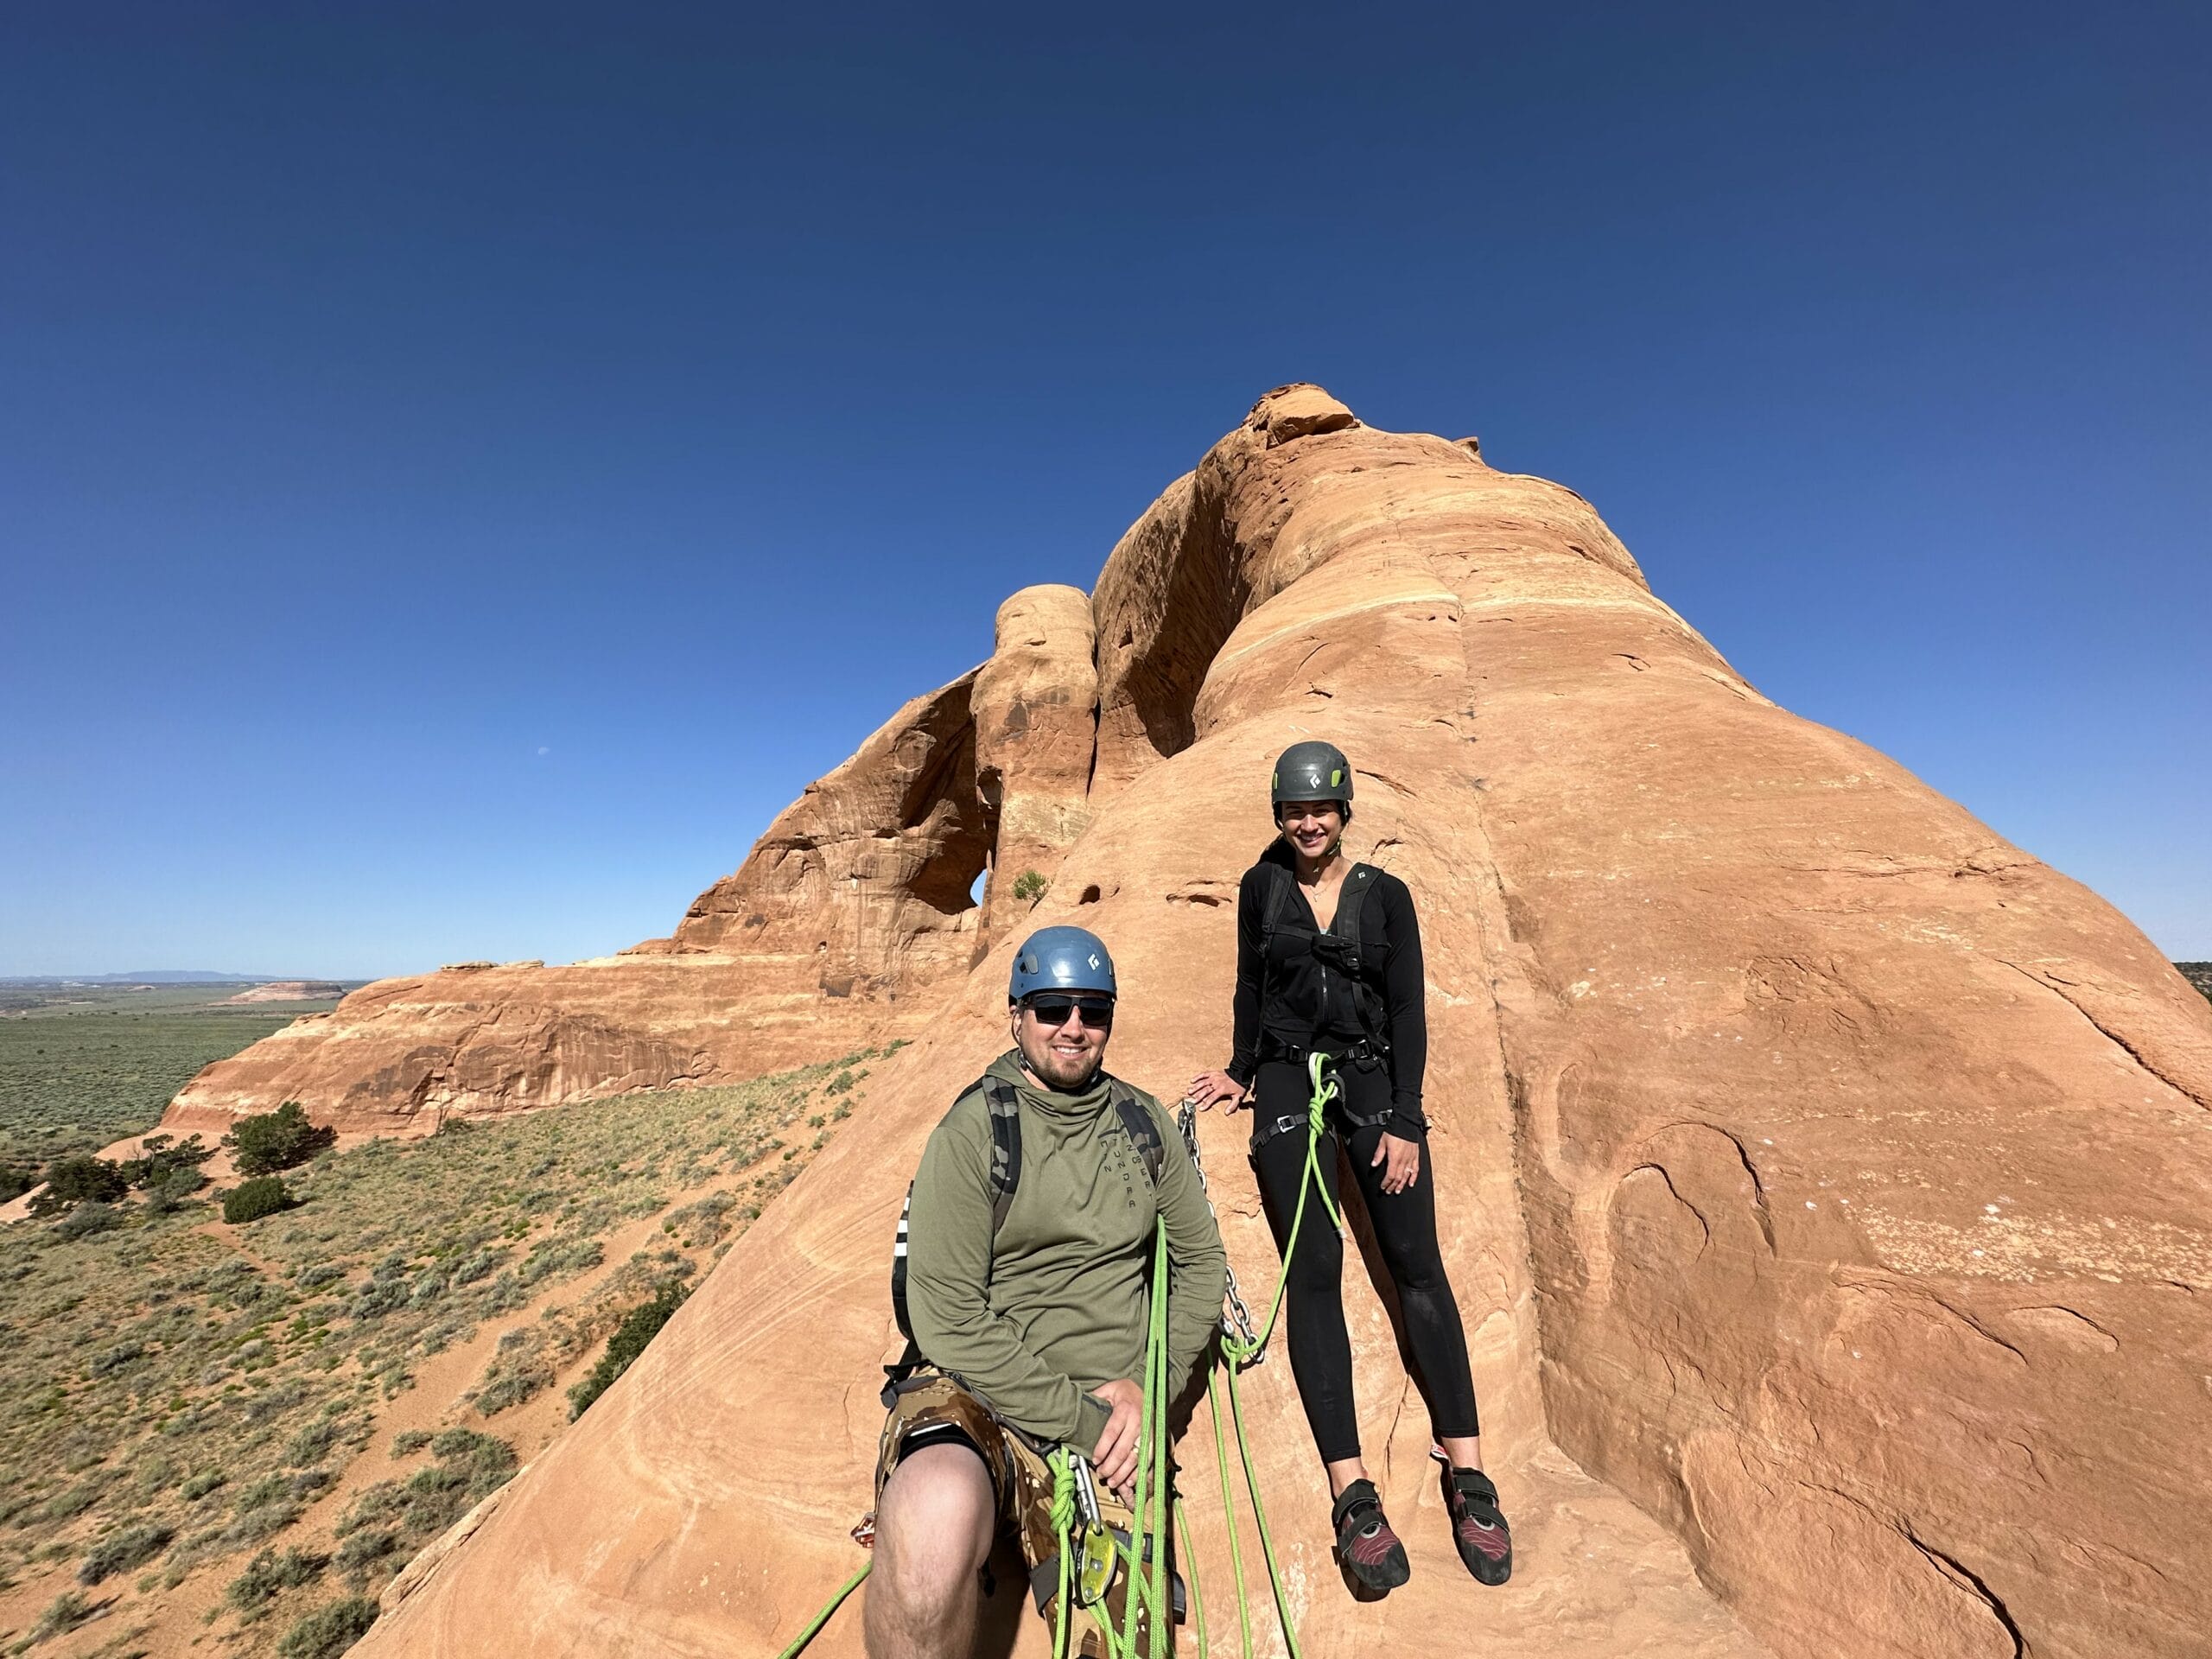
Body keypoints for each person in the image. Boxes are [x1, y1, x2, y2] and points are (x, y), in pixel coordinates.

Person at [1188, 741, 1512, 1592]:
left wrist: (1404, 1120)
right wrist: (1239, 1068)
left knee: (1417, 1269)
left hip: (1369, 1074)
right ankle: (1352, 1494)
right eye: (1294, 811)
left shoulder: (1385, 897)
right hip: (1291, 1072)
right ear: (1279, 815)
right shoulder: (1261, 890)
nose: (1308, 822)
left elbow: (1406, 1007)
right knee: (1315, 1272)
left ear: (1342, 812)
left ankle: (1469, 1475)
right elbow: (1250, 989)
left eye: (1320, 809)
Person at [866, 925, 1229, 1659]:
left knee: (1129, 1635)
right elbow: (949, 1320)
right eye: (1052, 1008)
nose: (1074, 1027)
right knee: (932, 1509)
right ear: (1016, 1014)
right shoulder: (976, 1132)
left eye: (1093, 1011)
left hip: (1113, 1414)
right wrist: (1086, 1423)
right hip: (986, 1390)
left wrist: (1149, 1391)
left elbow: (1201, 1262)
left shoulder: (1141, 1122)